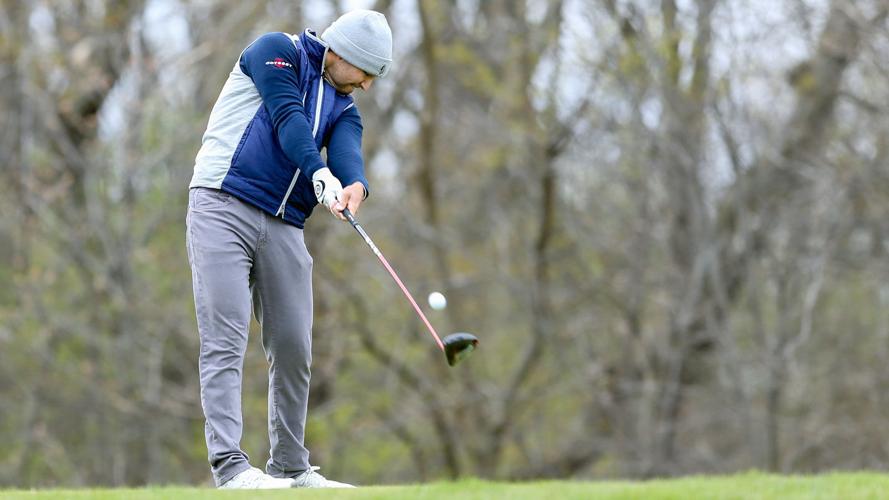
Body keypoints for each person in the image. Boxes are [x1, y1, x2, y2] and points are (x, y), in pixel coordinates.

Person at [185, 10, 392, 489]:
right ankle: (230, 467)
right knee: (225, 337)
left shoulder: (343, 105)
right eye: (364, 72)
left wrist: (354, 185)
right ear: (341, 54)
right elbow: (287, 117)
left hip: (284, 224)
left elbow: (348, 151)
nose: (365, 85)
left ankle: (291, 468)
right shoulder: (275, 52)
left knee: (295, 345)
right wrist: (317, 171)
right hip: (223, 202)